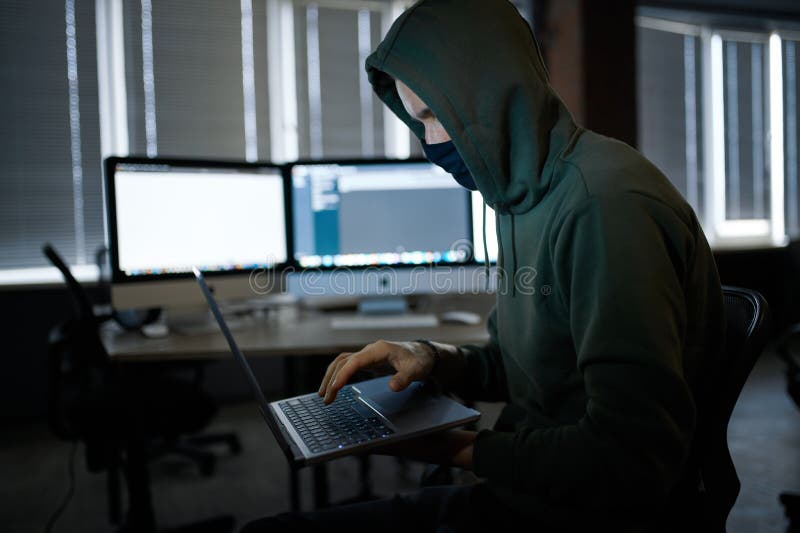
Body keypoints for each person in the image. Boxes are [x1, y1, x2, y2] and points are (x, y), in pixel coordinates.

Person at [242, 0, 724, 531]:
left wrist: (451, 449)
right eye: (415, 119)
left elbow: (630, 462)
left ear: (493, 97)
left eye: (434, 116)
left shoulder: (604, 208)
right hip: (528, 488)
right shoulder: (523, 196)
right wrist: (430, 356)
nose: (428, 144)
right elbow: (524, 368)